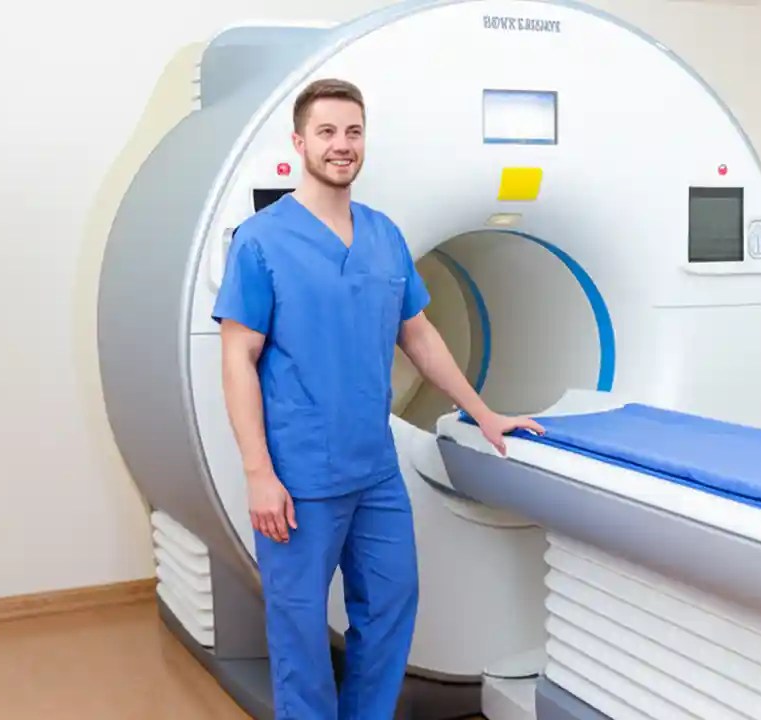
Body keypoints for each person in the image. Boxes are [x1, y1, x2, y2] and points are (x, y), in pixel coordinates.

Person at [211, 77, 545, 720]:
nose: (342, 145)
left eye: (354, 131)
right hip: (299, 474)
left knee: (391, 607)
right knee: (300, 631)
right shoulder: (262, 240)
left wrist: (483, 412)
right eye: (328, 132)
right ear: (300, 141)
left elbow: (418, 336)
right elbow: (237, 359)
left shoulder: (384, 235)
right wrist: (258, 472)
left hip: (375, 470)